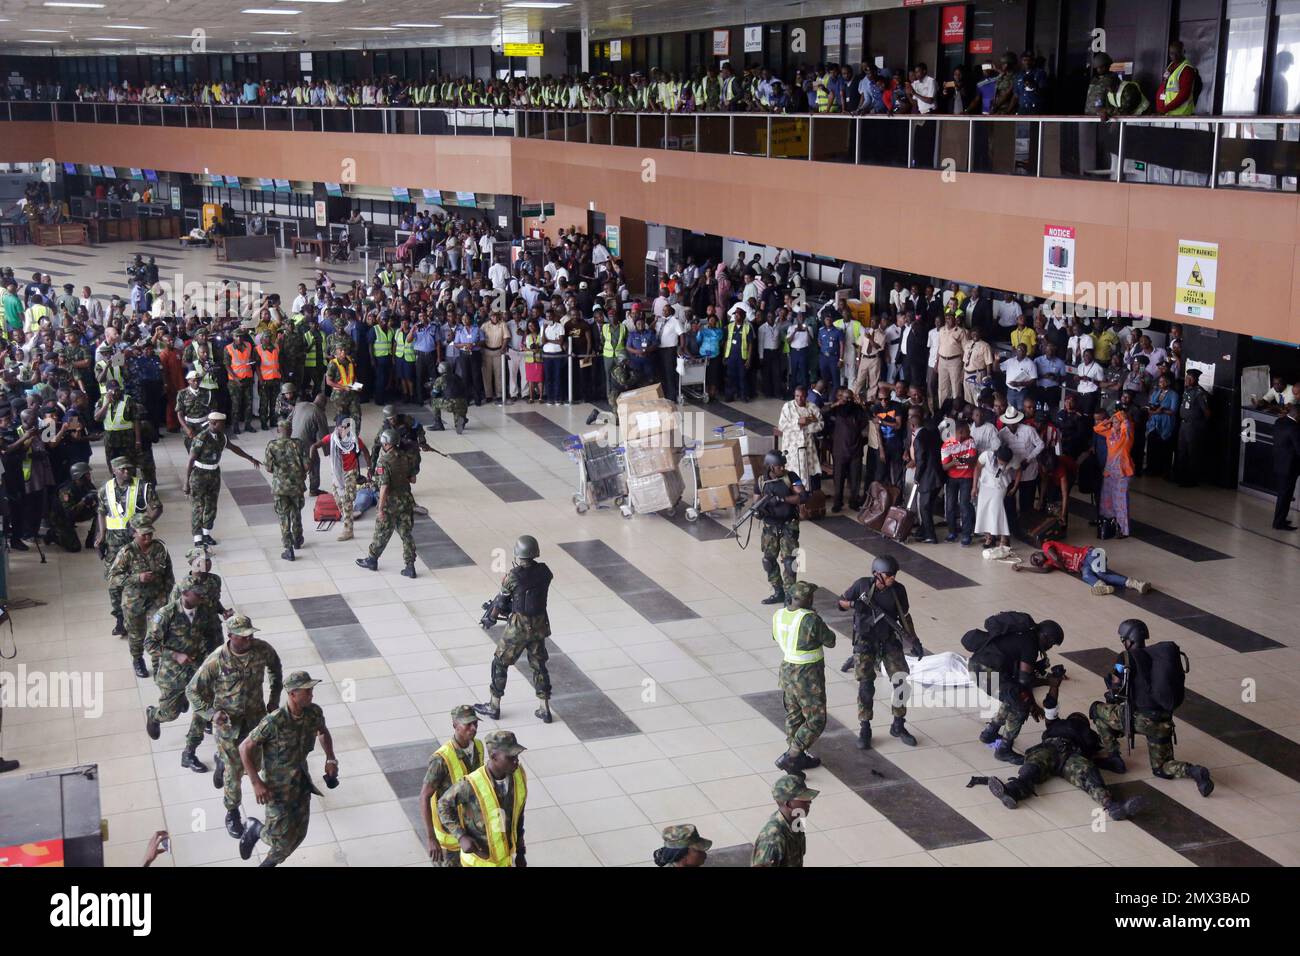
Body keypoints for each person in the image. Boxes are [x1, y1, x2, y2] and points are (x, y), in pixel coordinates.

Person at [1088, 619, 1215, 796]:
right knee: (1162, 768)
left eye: (1123, 638)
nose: (1122, 641)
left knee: (1097, 710)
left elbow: (1116, 686)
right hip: (1163, 720)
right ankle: (1194, 771)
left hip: (1140, 719)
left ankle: (1114, 757)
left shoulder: (1125, 657)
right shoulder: (1156, 656)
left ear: (1129, 640)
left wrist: (1113, 685)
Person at [187, 613, 283, 839]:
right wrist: (211, 714)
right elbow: (191, 690)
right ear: (229, 636)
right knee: (235, 773)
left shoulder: (262, 650)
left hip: (255, 719)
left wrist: (274, 698)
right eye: (242, 637)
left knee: (256, 763)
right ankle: (232, 812)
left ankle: (220, 760)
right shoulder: (216, 660)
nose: (248, 640)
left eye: (250, 635)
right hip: (228, 726)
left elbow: (276, 669)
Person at [238, 670, 337, 867]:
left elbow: (323, 732)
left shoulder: (313, 713)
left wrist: (331, 759)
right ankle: (256, 831)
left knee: (299, 833)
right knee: (280, 840)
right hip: (277, 790)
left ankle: (257, 830)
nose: (311, 695)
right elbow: (244, 747)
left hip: (301, 782)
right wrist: (256, 783)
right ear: (292, 694)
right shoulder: (274, 722)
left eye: (311, 690)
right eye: (307, 691)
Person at [982, 711, 1143, 821]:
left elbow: (1107, 758)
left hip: (1062, 753)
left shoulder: (1085, 734)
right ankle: (1112, 805)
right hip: (1062, 753)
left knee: (1085, 772)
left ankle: (1014, 789)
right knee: (1086, 774)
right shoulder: (1072, 729)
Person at [836, 555, 922, 749]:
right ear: (877, 574)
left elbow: (905, 617)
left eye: (894, 574)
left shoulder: (898, 590)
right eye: (889, 574)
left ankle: (898, 724)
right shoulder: (862, 585)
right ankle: (865, 727)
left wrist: (914, 640)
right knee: (866, 686)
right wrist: (853, 604)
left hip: (888, 638)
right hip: (865, 641)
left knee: (901, 681)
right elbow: (840, 602)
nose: (892, 578)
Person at [474, 535, 554, 723]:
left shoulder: (512, 576)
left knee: (500, 662)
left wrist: (491, 618)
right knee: (538, 665)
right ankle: (545, 708)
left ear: (518, 554)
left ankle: (494, 706)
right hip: (539, 624)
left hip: (518, 626)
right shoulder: (545, 572)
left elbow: (501, 602)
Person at [967, 614, 1065, 763]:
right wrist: (1034, 700)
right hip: (986, 673)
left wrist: (1039, 687)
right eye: (1051, 643)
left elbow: (1021, 681)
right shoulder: (1030, 643)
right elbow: (1025, 680)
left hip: (978, 666)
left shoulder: (1025, 634)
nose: (1050, 647)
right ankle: (1004, 749)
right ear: (1044, 636)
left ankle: (990, 733)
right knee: (1020, 704)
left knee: (1012, 695)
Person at [144, 579, 220, 773]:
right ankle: (154, 715)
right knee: (171, 713)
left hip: (198, 670)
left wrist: (215, 658)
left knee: (202, 712)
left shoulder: (205, 609)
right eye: (198, 594)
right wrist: (175, 655)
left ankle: (189, 753)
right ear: (185, 593)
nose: (202, 597)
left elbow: (213, 634)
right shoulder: (166, 614)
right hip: (173, 674)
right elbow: (150, 644)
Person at [437, 729, 528, 868]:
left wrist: (521, 853)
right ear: (493, 756)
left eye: (517, 755)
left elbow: (518, 815)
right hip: (478, 862)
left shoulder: (518, 776)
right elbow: (443, 804)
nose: (516, 761)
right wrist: (461, 836)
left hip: (505, 860)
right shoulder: (472, 784)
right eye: (510, 757)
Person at [771, 581, 836, 772]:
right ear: (809, 600)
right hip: (807, 676)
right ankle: (792, 754)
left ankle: (797, 760)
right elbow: (830, 641)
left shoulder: (778, 615)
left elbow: (776, 637)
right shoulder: (810, 619)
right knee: (816, 719)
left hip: (787, 672)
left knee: (794, 714)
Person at [95, 456, 162, 637]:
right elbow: (101, 512)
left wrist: (144, 526)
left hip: (137, 543)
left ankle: (145, 614)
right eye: (122, 469)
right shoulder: (104, 490)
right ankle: (119, 619)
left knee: (142, 577)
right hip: (113, 543)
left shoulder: (142, 487)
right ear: (114, 470)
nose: (127, 472)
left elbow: (157, 507)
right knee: (114, 581)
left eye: (129, 468)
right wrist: (101, 535)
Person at [108, 515, 175, 678]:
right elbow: (113, 577)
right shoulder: (127, 552)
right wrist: (137, 578)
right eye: (143, 534)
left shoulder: (160, 548)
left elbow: (168, 574)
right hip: (134, 601)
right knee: (136, 634)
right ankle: (137, 659)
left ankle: (157, 663)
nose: (148, 537)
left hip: (157, 598)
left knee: (158, 631)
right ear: (134, 533)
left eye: (150, 533)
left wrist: (167, 594)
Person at [183, 411, 262, 548]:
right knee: (198, 506)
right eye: (222, 423)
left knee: (211, 505)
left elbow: (233, 448)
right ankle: (197, 539)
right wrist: (186, 482)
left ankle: (206, 533)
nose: (224, 425)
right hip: (199, 475)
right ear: (213, 423)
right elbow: (191, 460)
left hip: (214, 474)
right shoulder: (201, 438)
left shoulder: (221, 436)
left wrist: (250, 458)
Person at [419, 704, 483, 866]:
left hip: (472, 831)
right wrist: (431, 838)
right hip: (451, 837)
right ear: (455, 725)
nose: (473, 728)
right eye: (468, 724)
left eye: (475, 723)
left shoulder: (479, 746)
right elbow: (424, 797)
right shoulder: (441, 759)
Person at [355, 429, 418, 578]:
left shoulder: (384, 461)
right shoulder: (406, 457)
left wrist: (381, 509)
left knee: (381, 532)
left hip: (391, 503)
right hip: (406, 501)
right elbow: (413, 479)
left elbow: (384, 487)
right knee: (406, 534)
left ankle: (372, 559)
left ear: (387, 443)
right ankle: (410, 566)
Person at [754, 450, 807, 605]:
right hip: (770, 526)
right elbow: (755, 501)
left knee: (790, 562)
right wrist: (758, 512)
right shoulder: (761, 481)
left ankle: (790, 595)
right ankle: (778, 591)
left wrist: (782, 499)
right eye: (778, 467)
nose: (782, 469)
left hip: (788, 524)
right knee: (768, 560)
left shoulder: (791, 477)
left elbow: (802, 496)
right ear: (770, 467)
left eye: (783, 466)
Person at [1033, 540, 1150, 596]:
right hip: (1084, 566)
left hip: (1089, 554)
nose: (1036, 561)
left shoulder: (1046, 546)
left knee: (1101, 574)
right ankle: (1102, 586)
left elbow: (1057, 558)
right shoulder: (1049, 563)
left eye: (1034, 557)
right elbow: (1044, 569)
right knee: (1086, 575)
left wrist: (1065, 569)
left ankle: (1137, 584)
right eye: (1036, 563)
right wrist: (1024, 568)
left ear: (1037, 552)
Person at [751, 773, 818, 868]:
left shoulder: (797, 821)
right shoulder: (773, 839)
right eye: (803, 799)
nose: (809, 801)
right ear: (789, 804)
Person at [263, 419, 306, 561]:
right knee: (296, 512)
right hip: (297, 486)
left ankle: (289, 549)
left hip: (280, 488)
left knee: (283, 517)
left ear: (278, 430)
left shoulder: (272, 446)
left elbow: (268, 468)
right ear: (291, 430)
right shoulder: (298, 444)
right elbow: (307, 465)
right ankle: (298, 539)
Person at [1094, 405, 1134, 537]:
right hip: (1110, 471)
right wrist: (1109, 420)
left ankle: (1123, 530)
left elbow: (1127, 426)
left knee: (1121, 502)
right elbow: (1097, 428)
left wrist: (1123, 417)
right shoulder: (1109, 433)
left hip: (1122, 473)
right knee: (1107, 501)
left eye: (1118, 422)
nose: (1115, 424)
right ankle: (1110, 525)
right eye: (1114, 422)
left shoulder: (1126, 436)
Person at [775, 384, 823, 491]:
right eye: (797, 396)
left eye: (802, 396)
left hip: (807, 446)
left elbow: (821, 424)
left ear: (806, 396)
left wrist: (807, 427)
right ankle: (793, 493)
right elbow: (781, 426)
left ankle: (807, 496)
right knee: (792, 472)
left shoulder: (812, 407)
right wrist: (798, 422)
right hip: (792, 447)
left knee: (807, 472)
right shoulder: (787, 407)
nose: (799, 399)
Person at [46, 460, 96, 552]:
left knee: (101, 511)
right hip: (61, 518)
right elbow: (69, 513)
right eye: (87, 474)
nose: (89, 476)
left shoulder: (88, 485)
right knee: (74, 547)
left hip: (76, 512)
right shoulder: (66, 490)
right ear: (79, 476)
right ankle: (53, 535)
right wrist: (83, 502)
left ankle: (92, 540)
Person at [941, 420, 977, 545]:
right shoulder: (947, 445)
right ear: (960, 432)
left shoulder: (970, 441)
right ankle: (952, 532)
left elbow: (973, 460)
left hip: (967, 477)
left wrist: (958, 460)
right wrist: (955, 462)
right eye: (968, 430)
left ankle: (966, 535)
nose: (970, 432)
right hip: (952, 478)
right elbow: (945, 467)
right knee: (950, 506)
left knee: (964, 505)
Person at [1172, 368, 1210, 486]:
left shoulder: (1199, 393)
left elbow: (1207, 412)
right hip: (1184, 424)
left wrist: (1200, 425)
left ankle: (1191, 479)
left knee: (1192, 452)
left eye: (1190, 378)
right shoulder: (1187, 391)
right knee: (1181, 451)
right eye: (1186, 377)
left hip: (1194, 425)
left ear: (1195, 379)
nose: (1187, 380)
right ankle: (1180, 476)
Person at [1272, 402, 1300, 531]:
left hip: (1279, 463)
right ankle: (1279, 523)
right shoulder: (1294, 428)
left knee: (1283, 494)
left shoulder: (1279, 421)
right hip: (1290, 467)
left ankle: (1280, 519)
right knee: (1285, 495)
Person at [428, 360, 469, 434]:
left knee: (433, 401)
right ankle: (461, 420)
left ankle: (438, 424)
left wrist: (431, 387)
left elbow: (434, 394)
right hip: (463, 404)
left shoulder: (440, 379)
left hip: (451, 404)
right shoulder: (458, 377)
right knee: (458, 428)